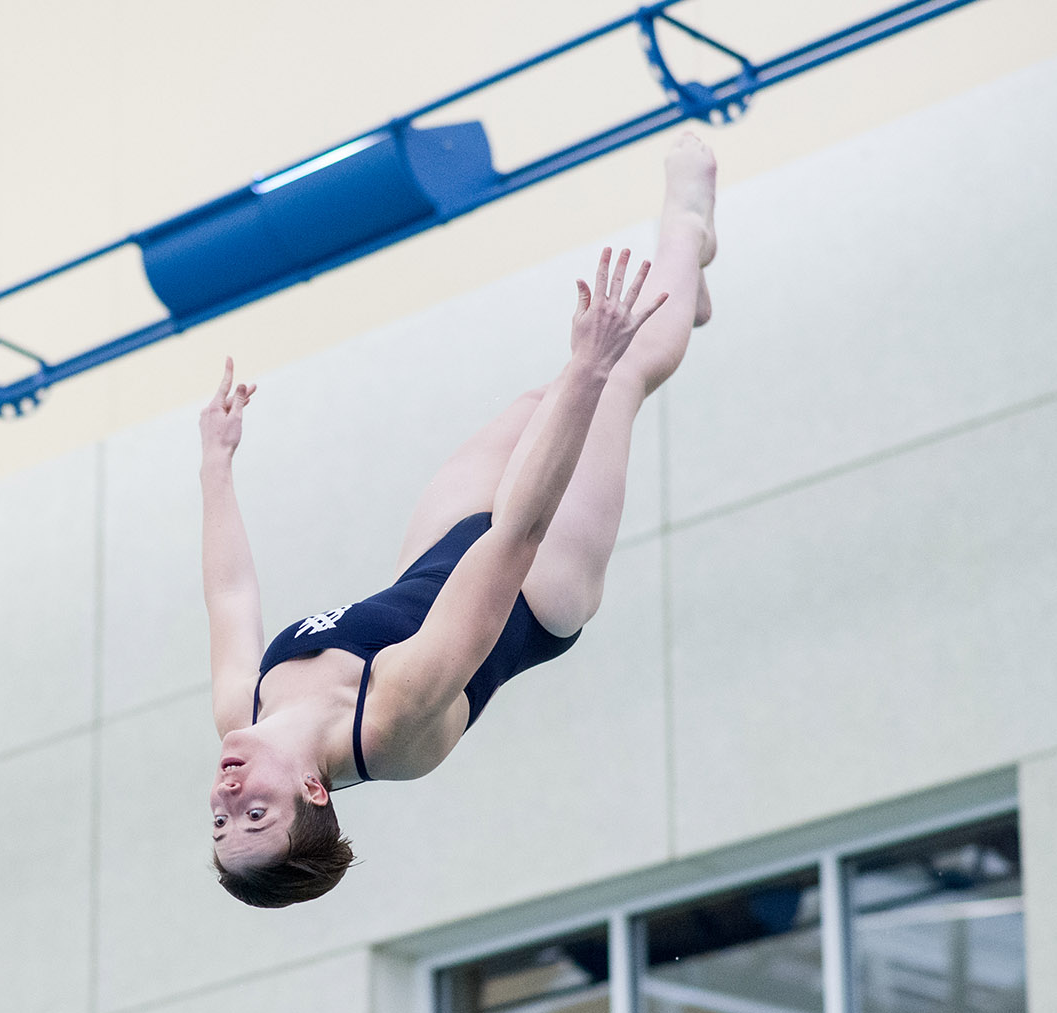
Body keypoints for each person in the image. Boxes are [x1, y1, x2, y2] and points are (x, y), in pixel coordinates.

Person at [199, 133, 718, 908]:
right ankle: (689, 229)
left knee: (535, 406)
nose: (229, 795)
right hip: (540, 584)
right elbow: (515, 535)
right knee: (618, 368)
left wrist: (215, 463)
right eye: (256, 814)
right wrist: (589, 369)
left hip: (436, 558)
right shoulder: (391, 723)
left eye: (220, 820)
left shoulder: (243, 709)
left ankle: (677, 309)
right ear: (314, 789)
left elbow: (232, 597)